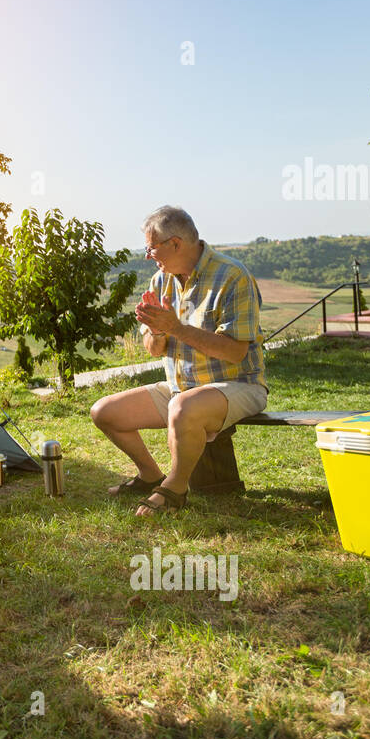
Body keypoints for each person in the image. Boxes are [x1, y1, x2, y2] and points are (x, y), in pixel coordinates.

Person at [89, 206, 268, 517]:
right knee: (104, 412)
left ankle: (174, 488)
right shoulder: (161, 281)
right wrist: (157, 332)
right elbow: (153, 348)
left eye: (151, 247)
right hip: (180, 389)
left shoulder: (232, 276)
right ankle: (149, 475)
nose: (147, 255)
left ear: (175, 243)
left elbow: (235, 352)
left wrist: (176, 328)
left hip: (238, 385)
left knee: (183, 407)